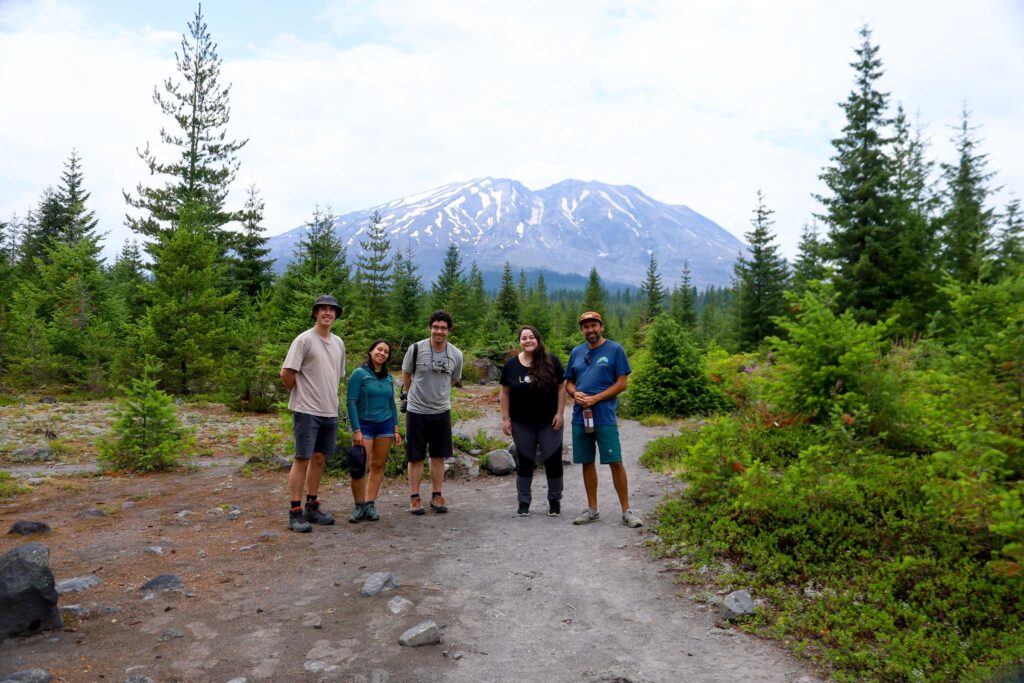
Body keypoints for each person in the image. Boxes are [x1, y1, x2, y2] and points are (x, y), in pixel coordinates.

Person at [563, 311, 643, 528]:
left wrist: (595, 398)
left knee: (615, 461)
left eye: (593, 325)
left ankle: (627, 511)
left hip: (604, 416)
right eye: (586, 326)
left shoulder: (615, 350)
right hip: (581, 417)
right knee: (587, 461)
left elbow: (622, 383)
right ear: (582, 330)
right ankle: (592, 510)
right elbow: (568, 381)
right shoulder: (576, 352)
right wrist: (574, 393)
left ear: (602, 327)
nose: (590, 330)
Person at [280, 294, 347, 533]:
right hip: (306, 410)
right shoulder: (304, 340)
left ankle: (312, 505)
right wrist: (300, 395)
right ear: (315, 313)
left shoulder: (338, 343)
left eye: (332, 310)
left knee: (319, 459)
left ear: (336, 314)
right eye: (323, 309)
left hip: (329, 411)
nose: (328, 313)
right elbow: (286, 372)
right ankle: (295, 512)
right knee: (302, 459)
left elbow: (336, 376)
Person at [500, 325, 566, 517]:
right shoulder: (511, 365)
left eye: (531, 337)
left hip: (549, 422)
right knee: (525, 462)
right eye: (524, 338)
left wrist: (560, 413)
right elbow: (504, 393)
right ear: (520, 342)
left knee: (553, 461)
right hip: (522, 423)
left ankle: (554, 501)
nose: (528, 341)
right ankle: (523, 502)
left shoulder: (551, 361)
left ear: (538, 339)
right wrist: (505, 419)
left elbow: (562, 387)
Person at [401, 310, 463, 515]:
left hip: (441, 411)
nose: (439, 331)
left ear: (448, 330)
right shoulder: (416, 349)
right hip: (417, 411)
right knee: (415, 456)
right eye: (436, 327)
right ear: (430, 328)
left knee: (438, 456)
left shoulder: (456, 354)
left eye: (443, 328)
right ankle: (414, 497)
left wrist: (440, 393)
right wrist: (412, 395)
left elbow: (453, 379)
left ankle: (437, 495)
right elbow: (406, 374)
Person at [346, 339, 402, 523]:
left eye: (386, 352)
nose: (382, 353)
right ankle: (359, 505)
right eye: (379, 349)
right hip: (365, 425)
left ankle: (370, 504)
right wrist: (356, 430)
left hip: (384, 426)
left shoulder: (388, 377)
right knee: (360, 465)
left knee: (378, 465)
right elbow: (351, 402)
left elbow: (391, 404)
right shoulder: (359, 374)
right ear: (371, 351)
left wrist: (395, 428)